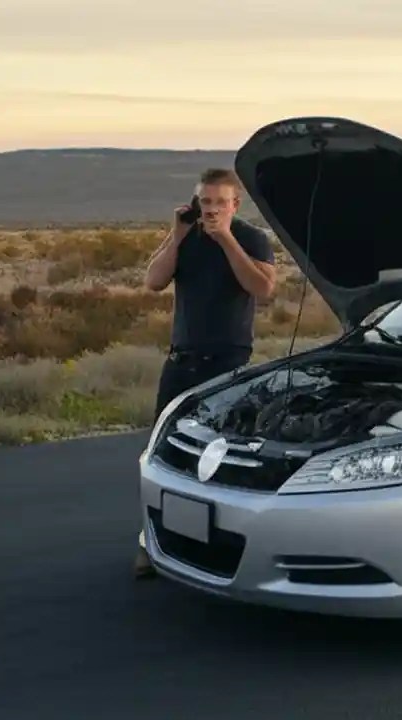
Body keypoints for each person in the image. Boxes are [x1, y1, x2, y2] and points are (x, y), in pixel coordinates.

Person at [134, 168, 277, 579]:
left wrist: (226, 239)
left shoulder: (251, 239)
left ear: (235, 205)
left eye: (219, 202)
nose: (210, 210)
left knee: (221, 457)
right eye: (205, 202)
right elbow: (152, 281)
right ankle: (150, 539)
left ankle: (219, 542)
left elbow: (263, 289)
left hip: (227, 364)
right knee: (163, 454)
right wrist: (177, 237)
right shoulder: (186, 238)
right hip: (181, 360)